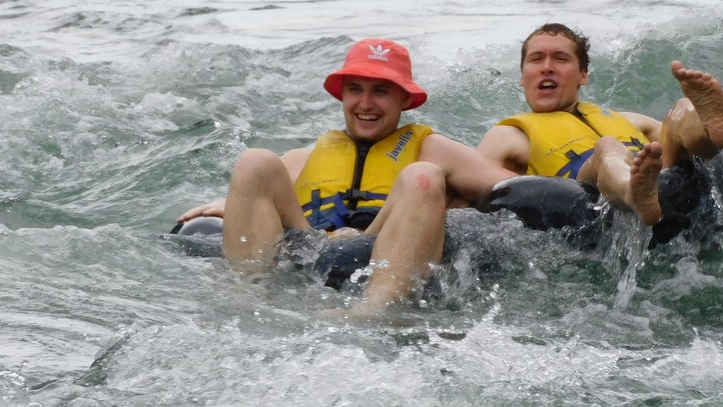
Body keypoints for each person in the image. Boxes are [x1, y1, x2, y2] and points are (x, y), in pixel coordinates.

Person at [178, 39, 516, 316]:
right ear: (343, 95)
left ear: (404, 99)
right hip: (313, 249)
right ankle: (249, 301)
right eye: (356, 89)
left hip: (383, 247)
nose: (365, 104)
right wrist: (232, 204)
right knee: (254, 160)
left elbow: (514, 189)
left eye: (381, 91)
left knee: (423, 176)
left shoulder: (435, 150)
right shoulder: (301, 160)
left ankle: (376, 309)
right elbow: (258, 194)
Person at [476, 23, 723, 226]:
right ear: (522, 77)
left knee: (681, 110)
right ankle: (633, 192)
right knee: (606, 148)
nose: (547, 68)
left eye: (560, 59)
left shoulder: (626, 119)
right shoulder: (508, 135)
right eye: (536, 60)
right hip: (589, 195)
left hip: (656, 181)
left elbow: (675, 148)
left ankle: (715, 132)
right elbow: (481, 192)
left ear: (583, 75)